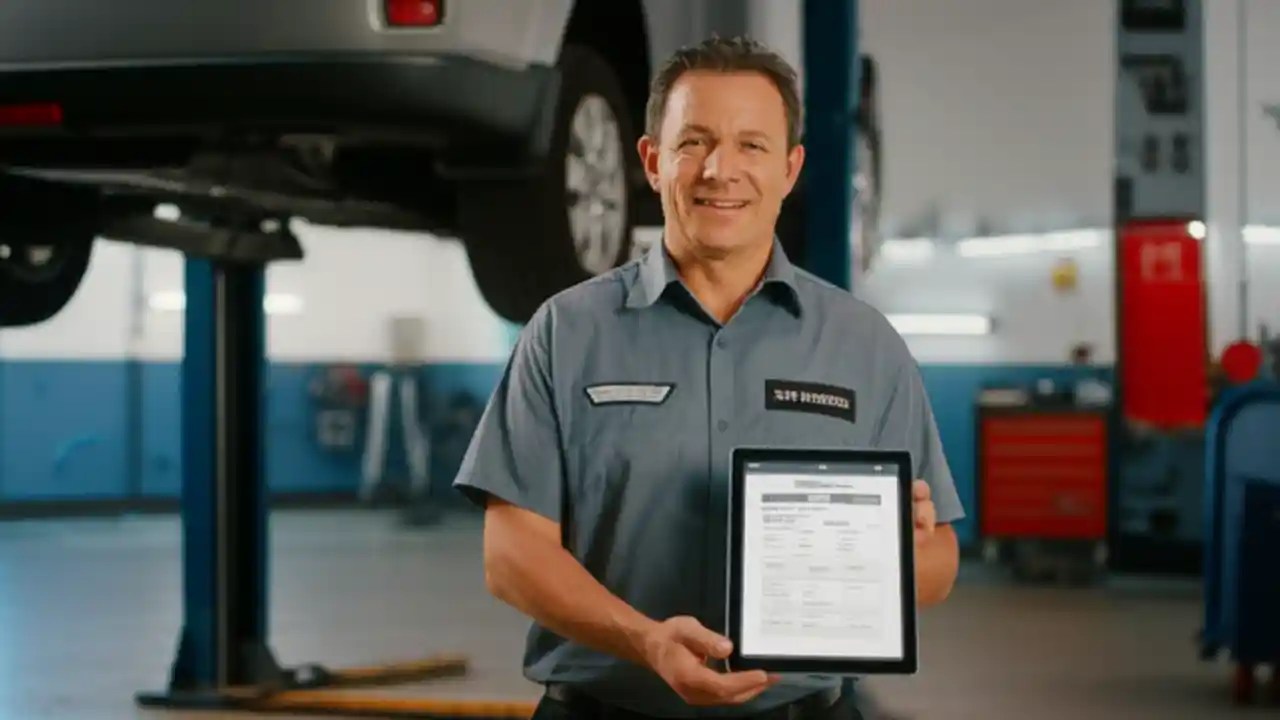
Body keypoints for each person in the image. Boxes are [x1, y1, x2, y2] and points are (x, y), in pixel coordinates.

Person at [453, 35, 965, 720]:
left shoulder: (862, 344)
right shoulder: (566, 333)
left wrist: (888, 556)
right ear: (651, 162)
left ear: (790, 169)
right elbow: (511, 555)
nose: (721, 170)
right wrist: (646, 641)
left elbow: (939, 560)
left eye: (752, 146)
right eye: (694, 141)